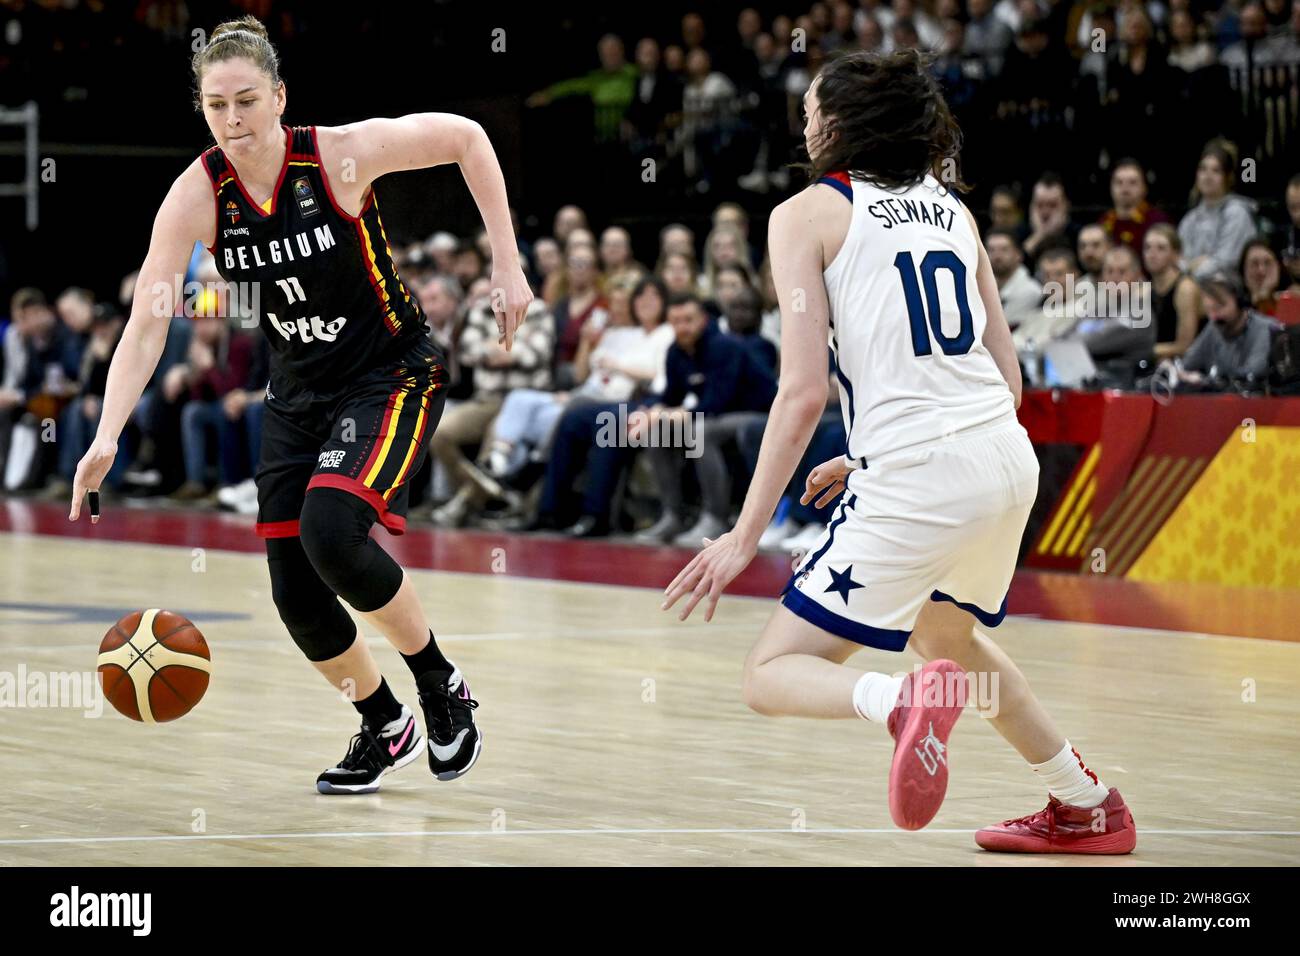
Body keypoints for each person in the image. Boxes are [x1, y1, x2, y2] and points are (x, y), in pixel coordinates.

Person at [661, 50, 1136, 853]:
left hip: (924, 476)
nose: (803, 122)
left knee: (767, 674)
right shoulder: (954, 210)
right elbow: (1007, 377)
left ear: (839, 123)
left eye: (811, 108)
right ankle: (1085, 802)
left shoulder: (803, 215)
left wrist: (744, 534)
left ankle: (900, 702)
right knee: (951, 637)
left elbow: (803, 391)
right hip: (1001, 459)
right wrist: (872, 452)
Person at [67, 16, 532, 795]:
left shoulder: (340, 154)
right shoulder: (196, 195)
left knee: (331, 532)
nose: (233, 119)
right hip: (298, 393)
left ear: (280, 96)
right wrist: (107, 434)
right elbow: (149, 322)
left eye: (247, 100)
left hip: (390, 371)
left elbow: (468, 137)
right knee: (294, 589)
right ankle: (385, 725)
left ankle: (440, 684)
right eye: (216, 106)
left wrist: (508, 265)